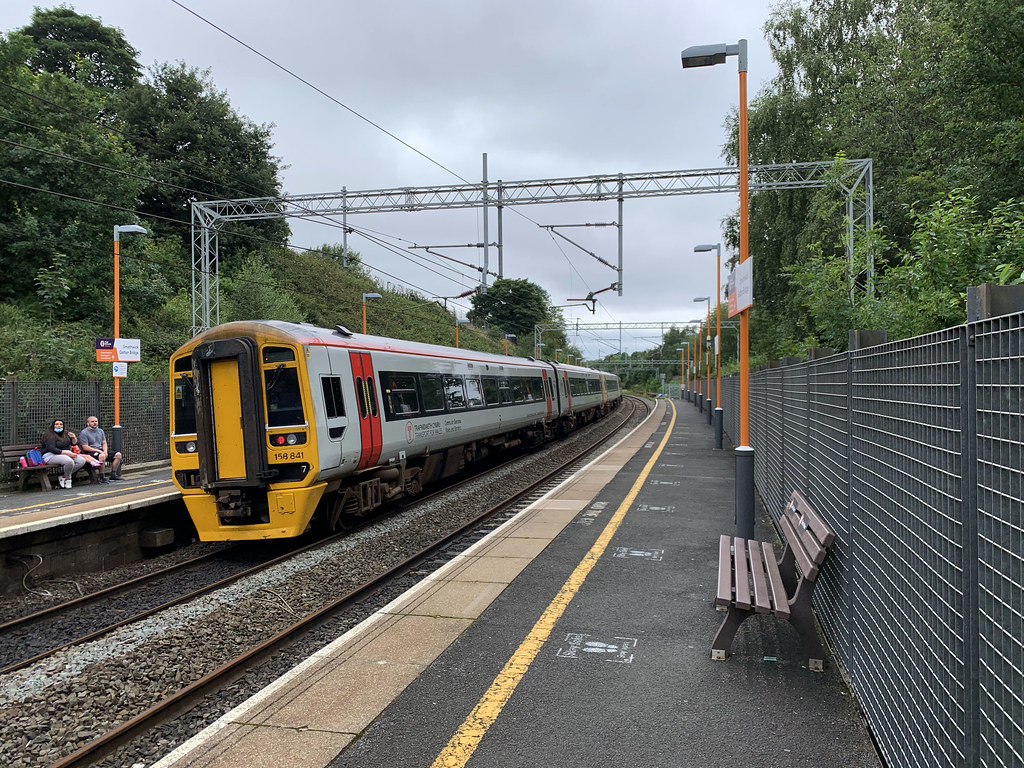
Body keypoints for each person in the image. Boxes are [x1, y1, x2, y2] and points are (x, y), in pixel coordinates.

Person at [40, 418, 87, 489]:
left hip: (66, 453)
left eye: (61, 424)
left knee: (81, 461)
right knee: (69, 461)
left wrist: (74, 437)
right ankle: (68, 479)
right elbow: (51, 449)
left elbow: (74, 444)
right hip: (51, 455)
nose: (59, 426)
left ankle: (63, 476)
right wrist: (67, 453)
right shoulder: (49, 435)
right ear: (53, 425)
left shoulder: (65, 434)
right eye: (57, 424)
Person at [78, 415, 123, 483]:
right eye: (92, 421)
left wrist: (105, 451)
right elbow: (85, 447)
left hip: (100, 450)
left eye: (96, 421)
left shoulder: (100, 431)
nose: (95, 423)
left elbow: (104, 443)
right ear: (88, 423)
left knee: (118, 455)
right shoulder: (84, 433)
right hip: (91, 452)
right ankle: (102, 476)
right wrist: (99, 451)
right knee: (102, 456)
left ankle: (113, 474)